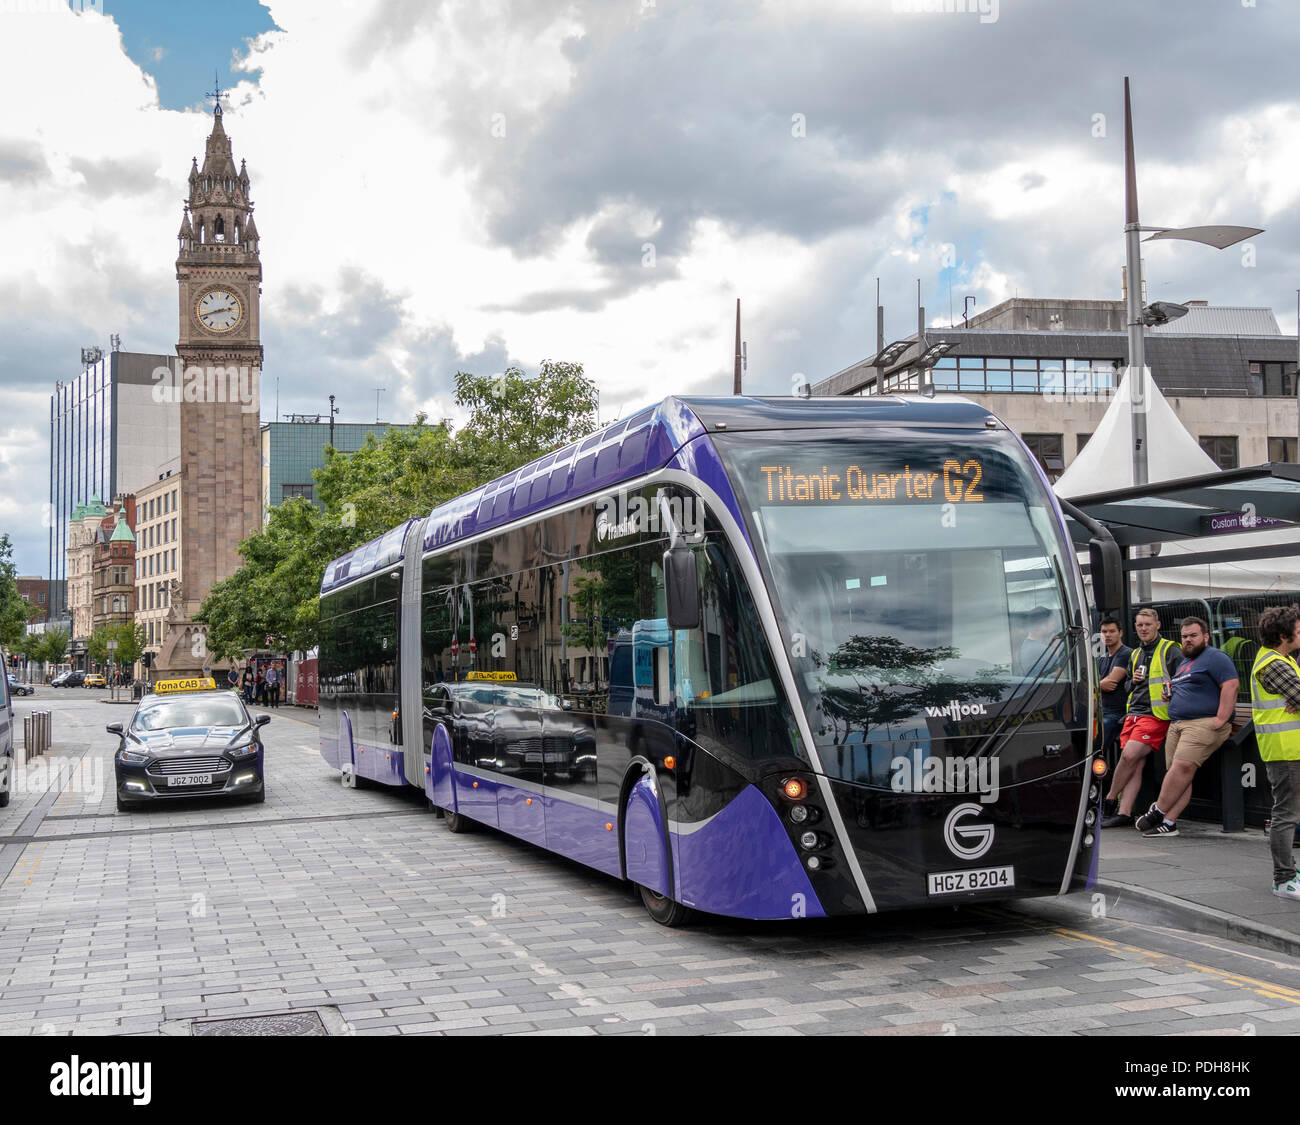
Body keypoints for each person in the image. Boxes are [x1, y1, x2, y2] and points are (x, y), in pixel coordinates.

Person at [1134, 617, 1238, 838]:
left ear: (1206, 637)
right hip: (1178, 723)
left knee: (1182, 767)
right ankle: (1169, 823)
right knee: (1178, 774)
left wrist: (1221, 719)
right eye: (1184, 636)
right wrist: (1171, 693)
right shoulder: (1185, 662)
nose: (1188, 640)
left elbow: (1231, 685)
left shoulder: (1216, 657)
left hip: (1202, 723)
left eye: (1193, 636)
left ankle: (1158, 811)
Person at [1101, 609, 1183, 827]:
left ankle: (1110, 799)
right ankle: (1124, 812)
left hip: (1156, 715)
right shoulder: (1136, 653)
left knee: (1128, 756)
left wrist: (1171, 691)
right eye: (1140, 625)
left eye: (1148, 624)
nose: (1144, 628)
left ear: (1157, 625)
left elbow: (1184, 678)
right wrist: (1134, 681)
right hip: (1134, 714)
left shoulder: (1170, 649)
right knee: (1135, 764)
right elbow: (1127, 686)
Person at [1248, 606, 1300, 900]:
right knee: (1286, 815)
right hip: (1285, 752)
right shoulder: (1274, 665)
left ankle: (1289, 871)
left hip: (1291, 749)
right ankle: (1284, 879)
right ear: (1282, 636)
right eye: (1298, 630)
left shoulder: (1284, 660)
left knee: (1289, 813)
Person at [1096, 615, 1132, 770]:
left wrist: (1096, 686)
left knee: (1095, 747)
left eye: (1112, 631)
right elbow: (1099, 685)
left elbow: (1111, 682)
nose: (1107, 635)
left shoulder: (1126, 653)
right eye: (1104, 632)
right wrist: (1099, 685)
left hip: (1117, 714)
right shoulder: (1102, 658)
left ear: (1120, 633)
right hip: (1102, 711)